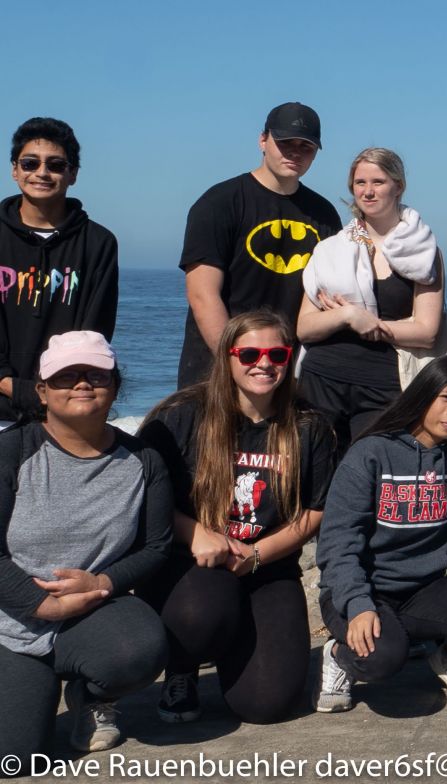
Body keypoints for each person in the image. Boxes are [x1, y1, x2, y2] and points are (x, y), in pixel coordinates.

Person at [138, 311, 335, 724]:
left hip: (266, 565)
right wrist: (195, 533)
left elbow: (314, 509)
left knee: (267, 705)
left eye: (276, 354)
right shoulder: (180, 415)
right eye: (249, 353)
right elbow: (145, 497)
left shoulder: (309, 425)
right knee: (202, 615)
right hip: (192, 565)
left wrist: (258, 555)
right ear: (227, 356)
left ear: (289, 358)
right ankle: (183, 668)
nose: (263, 363)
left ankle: (237, 648)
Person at [0, 332, 170, 756]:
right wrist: (42, 605)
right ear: (42, 390)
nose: (82, 383)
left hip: (90, 614)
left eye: (96, 374)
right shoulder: (11, 450)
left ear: (114, 387)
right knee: (17, 758)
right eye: (66, 376)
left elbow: (157, 546)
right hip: (9, 618)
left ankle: (92, 697)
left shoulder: (143, 461)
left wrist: (102, 583)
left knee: (137, 651)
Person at [315, 355, 447, 712]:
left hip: (424, 590)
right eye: (446, 398)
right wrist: (357, 605)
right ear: (423, 395)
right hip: (366, 587)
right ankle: (339, 655)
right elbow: (339, 541)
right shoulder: (372, 452)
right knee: (383, 659)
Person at [177, 102, 341, 388]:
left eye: (306, 146)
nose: (295, 152)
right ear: (263, 140)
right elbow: (203, 295)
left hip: (284, 372)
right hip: (216, 371)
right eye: (285, 142)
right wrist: (235, 363)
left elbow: (328, 298)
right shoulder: (219, 203)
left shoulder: (324, 214)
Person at [297, 147, 446, 454]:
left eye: (378, 182)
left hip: (385, 382)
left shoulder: (424, 251)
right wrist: (348, 315)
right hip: (322, 378)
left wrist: (372, 325)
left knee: (373, 474)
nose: (367, 191)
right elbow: (304, 327)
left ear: (398, 186)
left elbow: (427, 331)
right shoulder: (330, 250)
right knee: (311, 477)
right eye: (359, 183)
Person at [1, 118, 119, 425]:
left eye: (55, 165)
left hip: (61, 405)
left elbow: (95, 330)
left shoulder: (98, 243)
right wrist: (7, 383)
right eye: (30, 163)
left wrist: (54, 388)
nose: (41, 172)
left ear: (73, 174)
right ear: (15, 170)